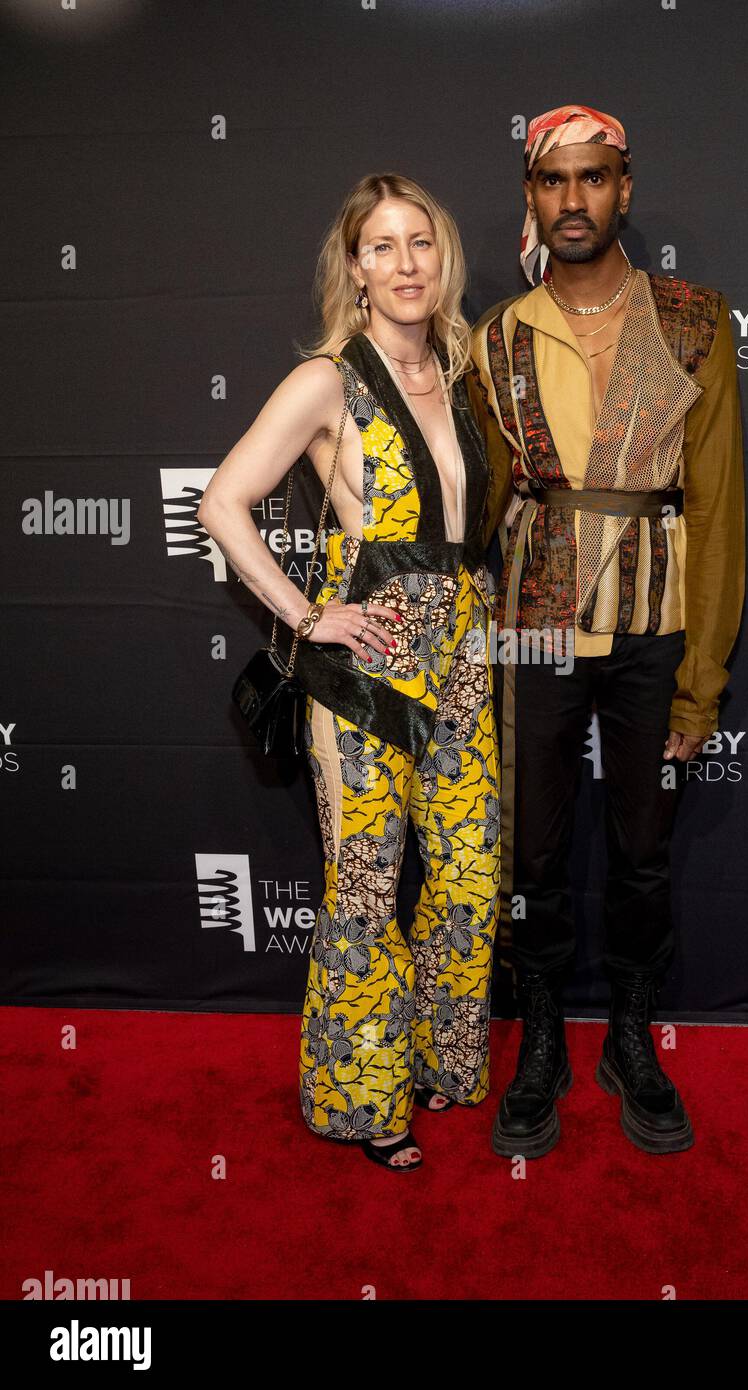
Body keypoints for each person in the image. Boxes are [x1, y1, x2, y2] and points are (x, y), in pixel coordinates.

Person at [198, 173, 500, 1172]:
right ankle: (360, 1097)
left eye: (421, 242)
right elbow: (223, 501)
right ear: (354, 267)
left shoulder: (460, 369)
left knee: (466, 877)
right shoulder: (328, 376)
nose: (405, 263)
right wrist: (307, 612)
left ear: (440, 259)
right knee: (366, 889)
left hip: (461, 652)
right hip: (369, 658)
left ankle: (437, 1057)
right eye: (382, 246)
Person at [468, 105, 746, 1158]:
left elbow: (717, 507)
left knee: (640, 849)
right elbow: (476, 499)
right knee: (531, 847)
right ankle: (540, 1036)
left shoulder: (691, 319)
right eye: (551, 181)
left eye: (592, 179)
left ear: (624, 187)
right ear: (529, 195)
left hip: (653, 623)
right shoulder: (495, 338)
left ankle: (630, 1035)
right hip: (531, 624)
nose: (571, 199)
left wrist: (701, 681)